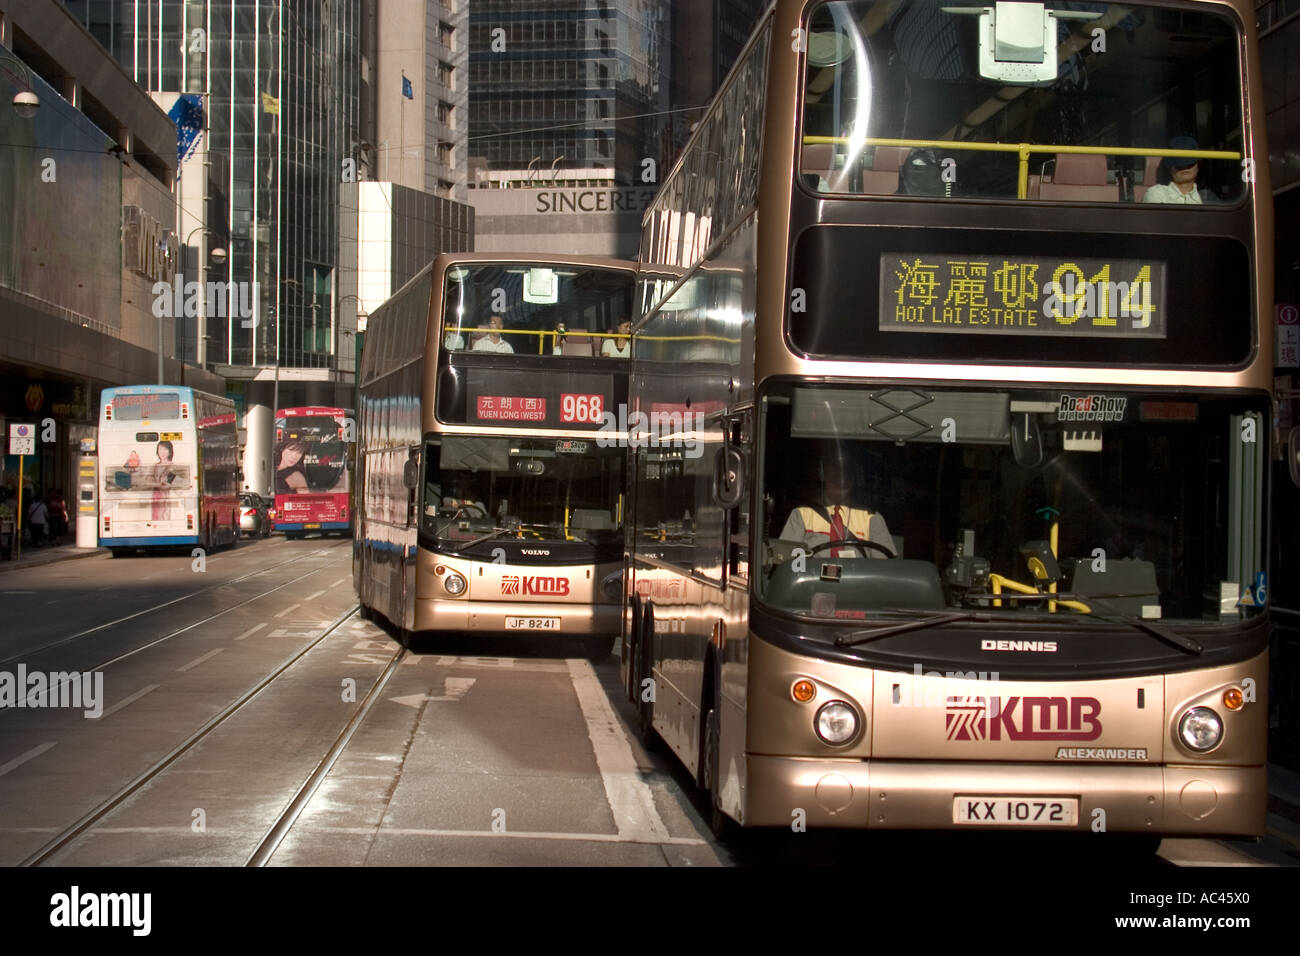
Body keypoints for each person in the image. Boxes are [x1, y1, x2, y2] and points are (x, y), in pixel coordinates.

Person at [780, 454, 895, 559]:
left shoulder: (871, 518)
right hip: (814, 580)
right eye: (834, 472)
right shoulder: (802, 514)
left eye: (846, 473)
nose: (840, 478)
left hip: (857, 581)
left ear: (852, 479)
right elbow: (788, 561)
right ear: (823, 475)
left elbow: (883, 568)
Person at [1143, 136, 1214, 205]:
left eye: (1190, 164)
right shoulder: (1156, 193)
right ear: (1170, 169)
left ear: (1198, 166)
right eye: (1179, 165)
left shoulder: (1207, 197)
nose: (1185, 167)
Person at [151, 440, 177, 521]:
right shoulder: (154, 466)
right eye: (160, 449)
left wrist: (155, 484)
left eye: (165, 449)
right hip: (155, 498)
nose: (162, 452)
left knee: (164, 517)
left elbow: (168, 484)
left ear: (170, 452)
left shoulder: (173, 466)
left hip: (165, 497)